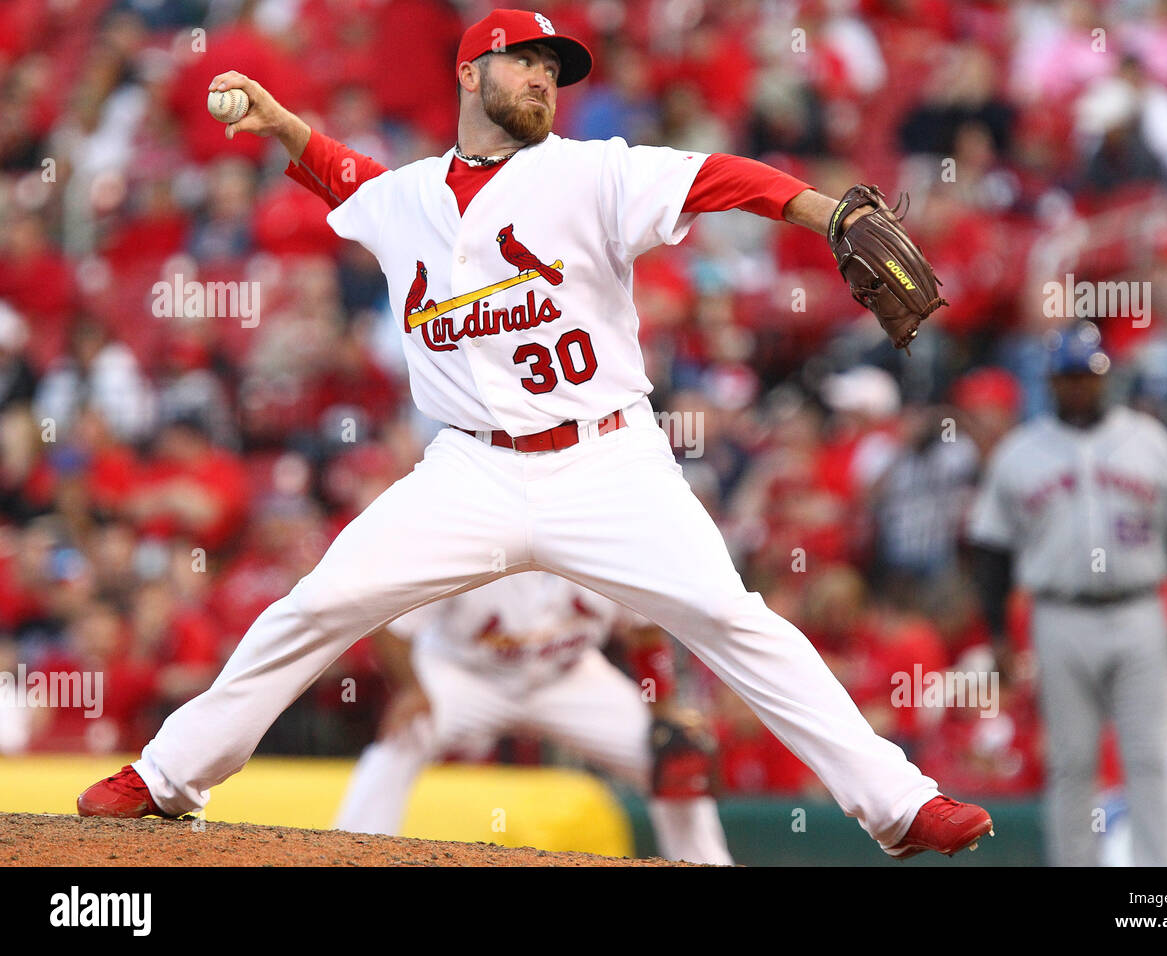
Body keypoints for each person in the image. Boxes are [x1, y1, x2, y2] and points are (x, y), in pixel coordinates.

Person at [77, 8, 991, 860]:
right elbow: (349, 179)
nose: (545, 79)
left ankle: (897, 805)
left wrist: (827, 212)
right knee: (319, 603)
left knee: (731, 617)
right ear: (473, 73)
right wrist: (285, 129)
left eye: (554, 68)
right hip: (470, 469)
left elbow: (718, 180)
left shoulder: (591, 172)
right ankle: (168, 777)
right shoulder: (411, 195)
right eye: (526, 62)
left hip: (607, 459)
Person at [966, 321, 1167, 865]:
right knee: (1071, 761)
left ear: (1106, 376)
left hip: (1139, 609)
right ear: (1051, 381)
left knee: (1148, 756)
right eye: (1068, 376)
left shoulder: (1149, 441)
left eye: (1088, 374)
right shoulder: (1021, 451)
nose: (1078, 385)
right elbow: (992, 551)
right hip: (1059, 615)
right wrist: (997, 631)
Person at [333, 571, 732, 865]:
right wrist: (412, 689)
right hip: (464, 675)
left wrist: (661, 713)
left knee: (673, 759)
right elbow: (392, 626)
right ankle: (352, 855)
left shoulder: (602, 546)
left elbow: (645, 630)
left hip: (569, 676)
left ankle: (709, 861)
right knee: (404, 739)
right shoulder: (471, 546)